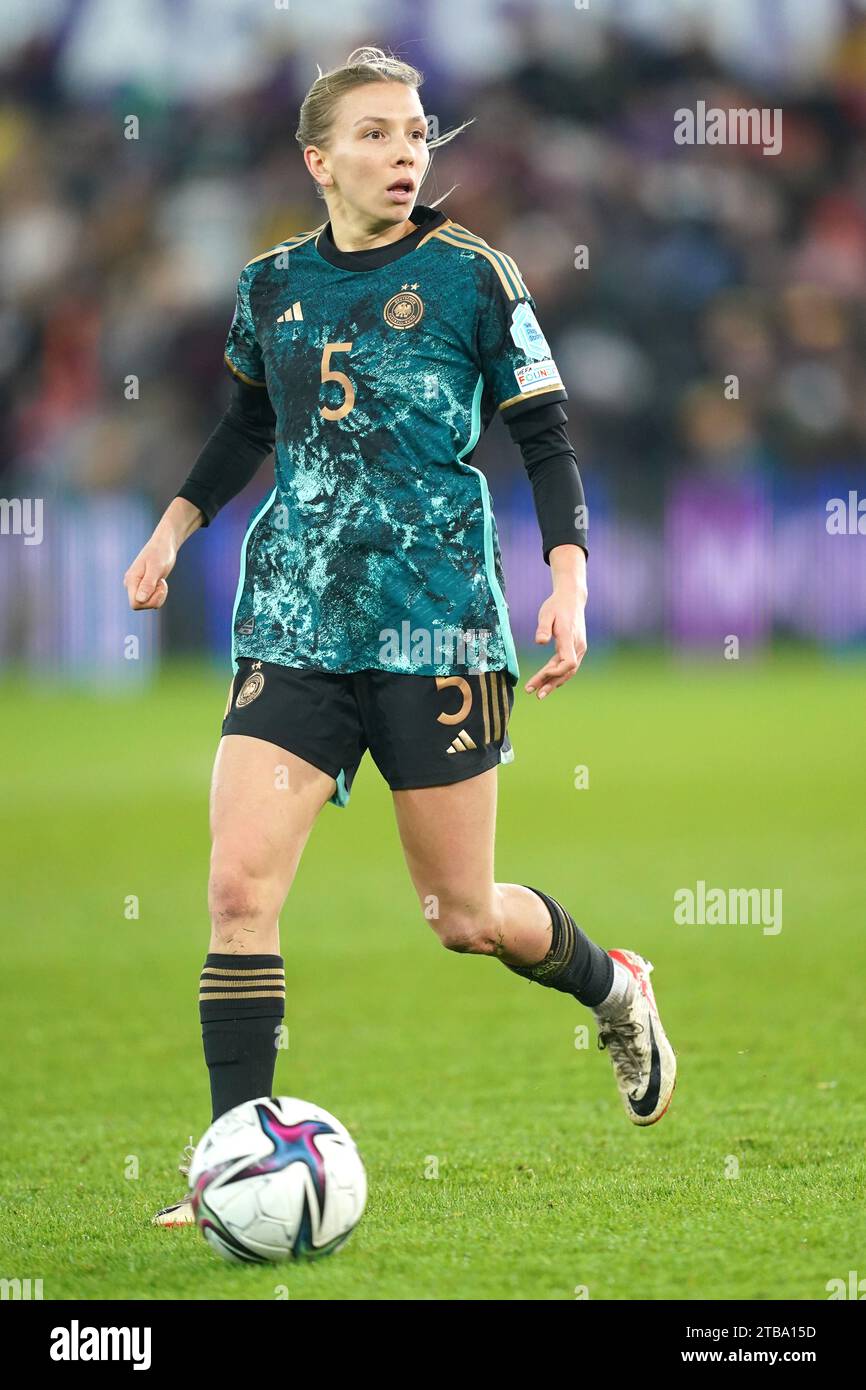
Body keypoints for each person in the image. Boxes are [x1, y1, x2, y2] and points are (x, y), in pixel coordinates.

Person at [123, 46, 676, 1227]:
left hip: (435, 628)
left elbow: (546, 437)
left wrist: (568, 583)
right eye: (375, 134)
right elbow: (243, 426)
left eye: (417, 133)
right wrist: (172, 529)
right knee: (236, 890)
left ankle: (610, 983)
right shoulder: (270, 285)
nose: (404, 152)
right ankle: (232, 1158)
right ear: (317, 160)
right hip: (293, 618)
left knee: (462, 917)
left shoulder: (473, 275)